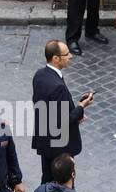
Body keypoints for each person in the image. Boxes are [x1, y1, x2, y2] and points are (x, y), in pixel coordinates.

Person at [30, 41, 92, 184]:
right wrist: (81, 107)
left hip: (45, 141)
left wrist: (75, 113)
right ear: (55, 58)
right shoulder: (58, 87)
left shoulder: (39, 75)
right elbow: (62, 121)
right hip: (59, 147)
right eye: (66, 54)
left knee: (46, 180)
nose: (70, 56)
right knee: (62, 186)